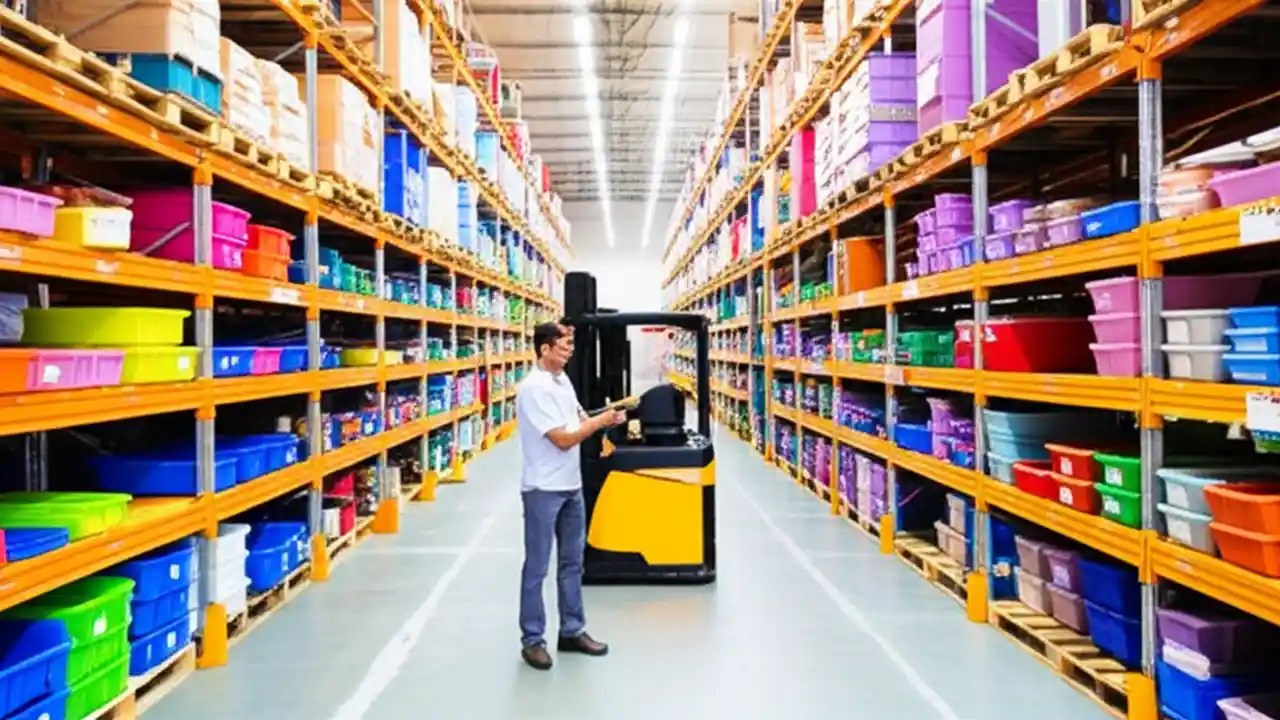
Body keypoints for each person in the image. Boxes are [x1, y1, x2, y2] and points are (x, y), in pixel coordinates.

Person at [515, 321, 626, 670]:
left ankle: (572, 630)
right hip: (543, 490)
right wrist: (596, 423)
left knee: (571, 563)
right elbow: (563, 438)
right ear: (543, 349)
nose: (568, 352)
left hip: (570, 486)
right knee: (537, 567)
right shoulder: (533, 388)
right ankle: (533, 640)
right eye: (561, 346)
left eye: (570, 347)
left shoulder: (562, 381)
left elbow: (578, 419)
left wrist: (605, 420)